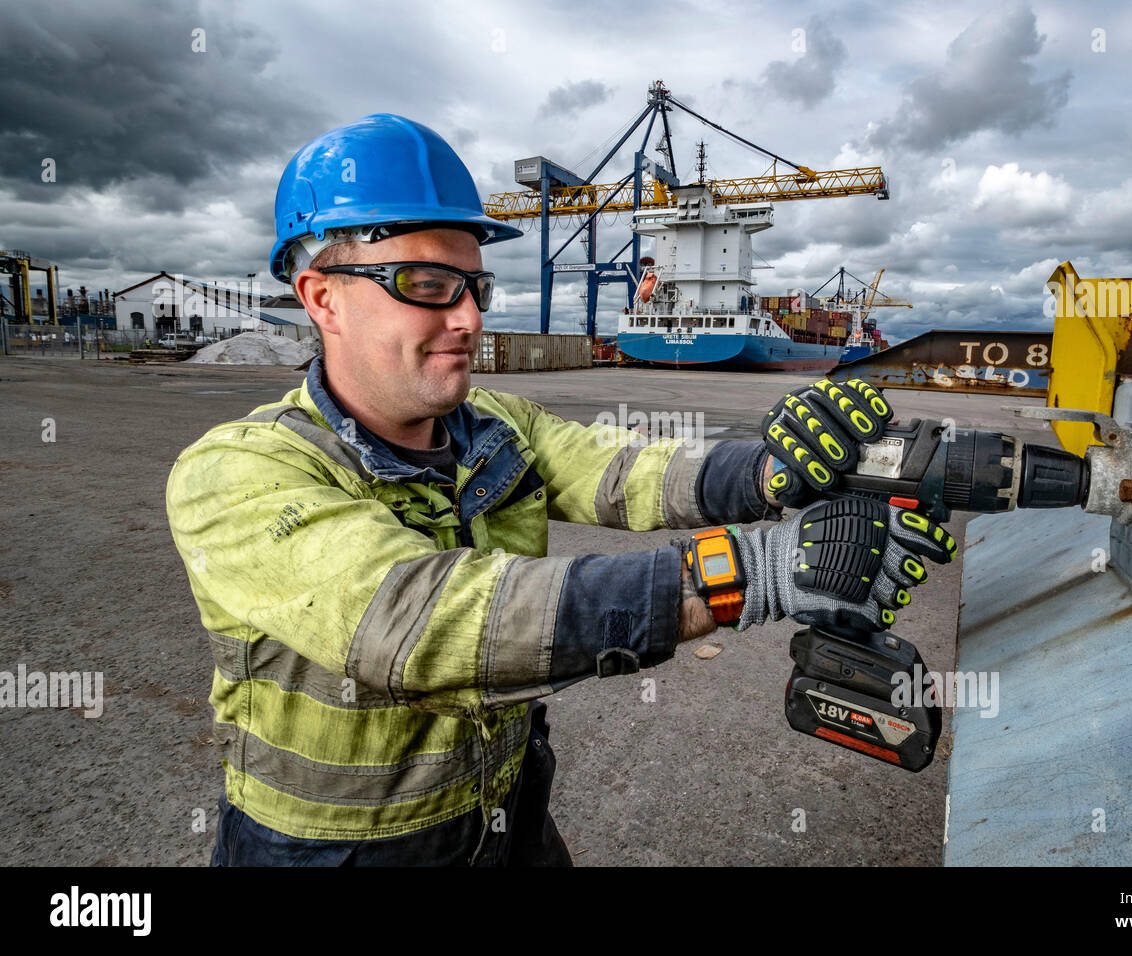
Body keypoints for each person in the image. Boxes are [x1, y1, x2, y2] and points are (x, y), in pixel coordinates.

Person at [165, 113, 957, 867]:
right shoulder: (236, 473)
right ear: (321, 298)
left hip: (506, 811)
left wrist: (774, 472)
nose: (470, 318)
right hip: (329, 851)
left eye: (476, 287)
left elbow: (621, 472)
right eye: (427, 283)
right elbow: (416, 622)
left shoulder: (493, 426)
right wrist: (757, 571)